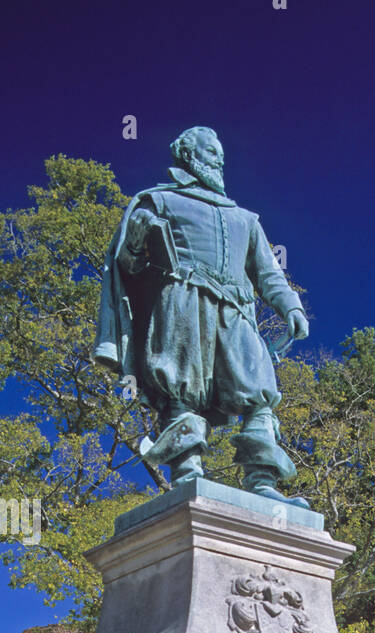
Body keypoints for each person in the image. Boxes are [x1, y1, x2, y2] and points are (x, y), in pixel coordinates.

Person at [95, 126, 310, 504]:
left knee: (259, 391)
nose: (219, 159)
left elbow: (268, 273)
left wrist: (290, 305)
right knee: (181, 389)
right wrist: (136, 241)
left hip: (236, 310)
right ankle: (187, 474)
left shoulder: (245, 219)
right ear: (188, 155)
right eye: (211, 152)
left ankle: (262, 482)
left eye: (221, 154)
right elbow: (127, 267)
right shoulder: (159, 202)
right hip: (181, 303)